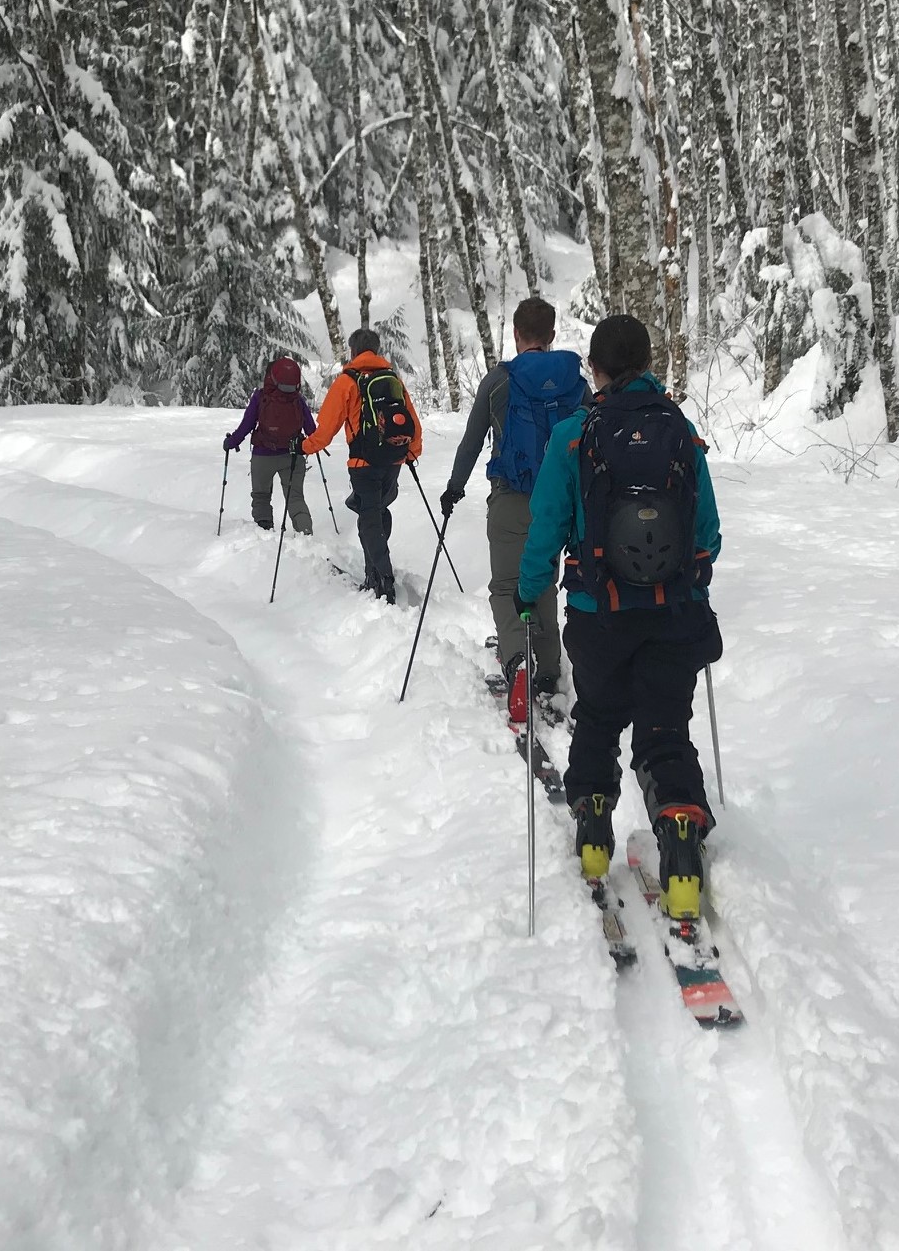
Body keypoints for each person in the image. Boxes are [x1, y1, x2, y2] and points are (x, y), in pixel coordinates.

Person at [515, 313, 722, 920]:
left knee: (599, 718)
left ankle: (593, 836)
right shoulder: (680, 430)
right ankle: (680, 840)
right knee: (665, 729)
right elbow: (707, 532)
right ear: (649, 363)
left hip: (596, 614)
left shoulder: (575, 436)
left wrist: (529, 593)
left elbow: (546, 526)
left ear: (596, 370)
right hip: (673, 613)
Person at [440, 296, 585, 718]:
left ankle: (517, 659)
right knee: (543, 582)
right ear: (551, 335)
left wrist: (454, 488)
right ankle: (549, 668)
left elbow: (471, 441)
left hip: (510, 498)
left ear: (516, 334)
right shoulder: (575, 382)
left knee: (506, 586)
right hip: (557, 503)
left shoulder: (499, 381)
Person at [299, 328, 423, 603]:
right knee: (378, 511)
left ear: (353, 351)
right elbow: (412, 421)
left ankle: (383, 579)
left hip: (363, 463)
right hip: (393, 459)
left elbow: (326, 429)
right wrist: (412, 453)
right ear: (376, 350)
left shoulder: (348, 381)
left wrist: (304, 447)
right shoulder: (393, 379)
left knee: (369, 516)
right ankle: (373, 574)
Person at [224, 355, 315, 534]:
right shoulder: (298, 400)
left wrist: (231, 442)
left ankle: (264, 532)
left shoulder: (261, 397)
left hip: (263, 456)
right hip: (293, 456)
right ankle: (306, 533)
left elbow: (247, 425)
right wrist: (311, 445)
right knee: (295, 498)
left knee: (261, 496)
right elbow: (311, 429)